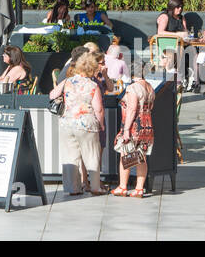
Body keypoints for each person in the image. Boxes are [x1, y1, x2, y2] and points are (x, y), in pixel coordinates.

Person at [50, 52, 106, 195]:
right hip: (86, 123)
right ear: (92, 69)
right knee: (91, 155)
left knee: (70, 157)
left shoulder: (67, 81)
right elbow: (98, 109)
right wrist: (101, 124)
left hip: (67, 122)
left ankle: (73, 189)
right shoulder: (93, 85)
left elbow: (52, 95)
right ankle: (95, 187)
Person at [113, 76, 155, 197]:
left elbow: (131, 109)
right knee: (141, 156)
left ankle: (122, 187)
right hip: (146, 124)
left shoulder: (133, 88)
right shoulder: (149, 88)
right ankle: (139, 188)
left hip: (134, 125)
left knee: (125, 154)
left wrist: (126, 129)